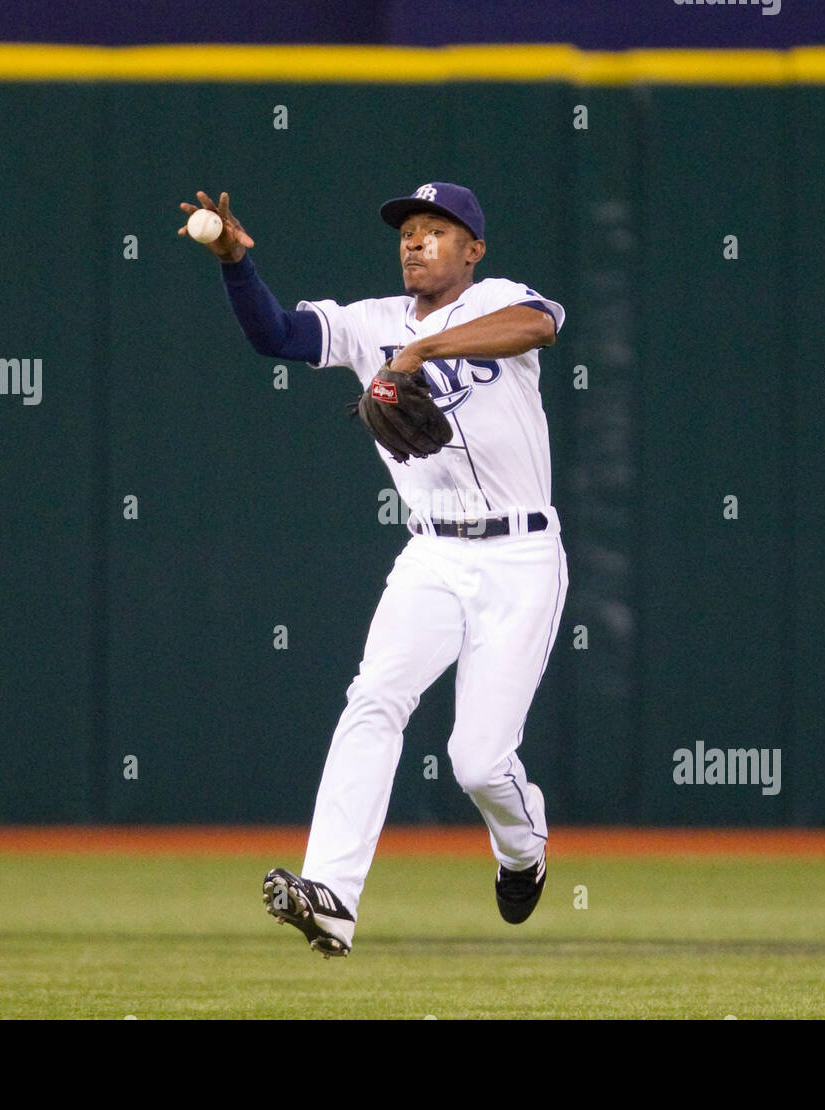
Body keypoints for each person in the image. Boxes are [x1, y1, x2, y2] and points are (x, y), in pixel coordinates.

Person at [179, 182, 568, 957]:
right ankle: (331, 896)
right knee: (374, 701)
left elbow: (541, 326)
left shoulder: (498, 298)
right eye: (407, 231)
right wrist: (232, 265)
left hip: (521, 554)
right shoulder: (371, 324)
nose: (415, 242)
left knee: (479, 761)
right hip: (432, 551)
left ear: (473, 249)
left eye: (435, 230)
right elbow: (278, 336)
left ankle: (524, 850)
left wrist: (423, 350)